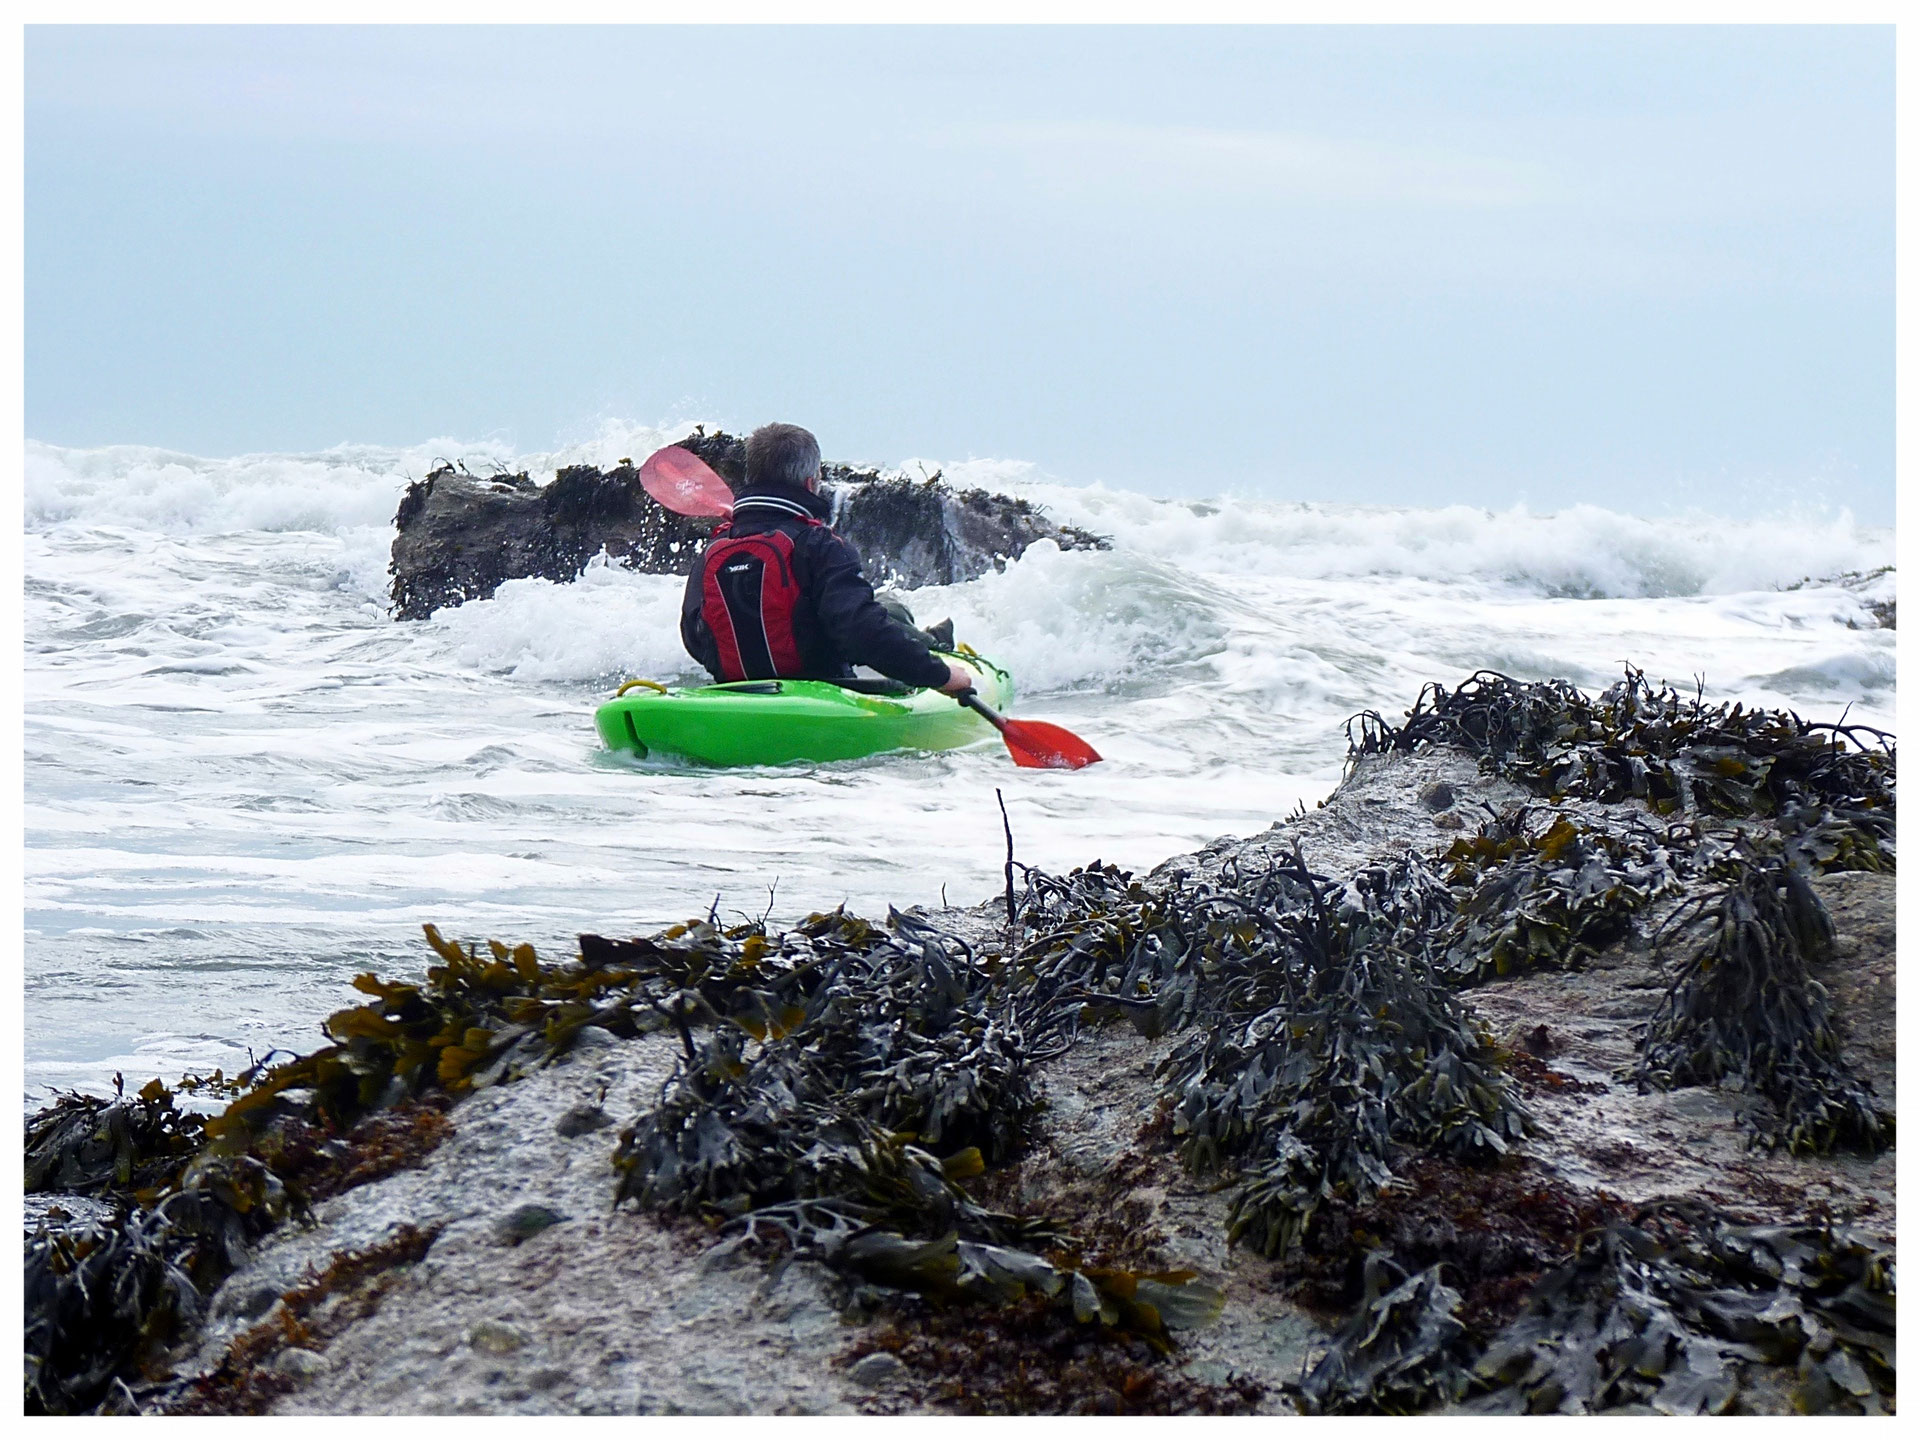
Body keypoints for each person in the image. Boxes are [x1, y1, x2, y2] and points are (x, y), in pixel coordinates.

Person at [679, 423, 974, 694]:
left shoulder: (715, 548)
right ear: (810, 483)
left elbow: (694, 638)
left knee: (885, 609)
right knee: (888, 609)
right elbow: (861, 632)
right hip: (823, 693)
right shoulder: (819, 544)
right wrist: (941, 677)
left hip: (738, 694)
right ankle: (935, 646)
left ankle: (928, 642)